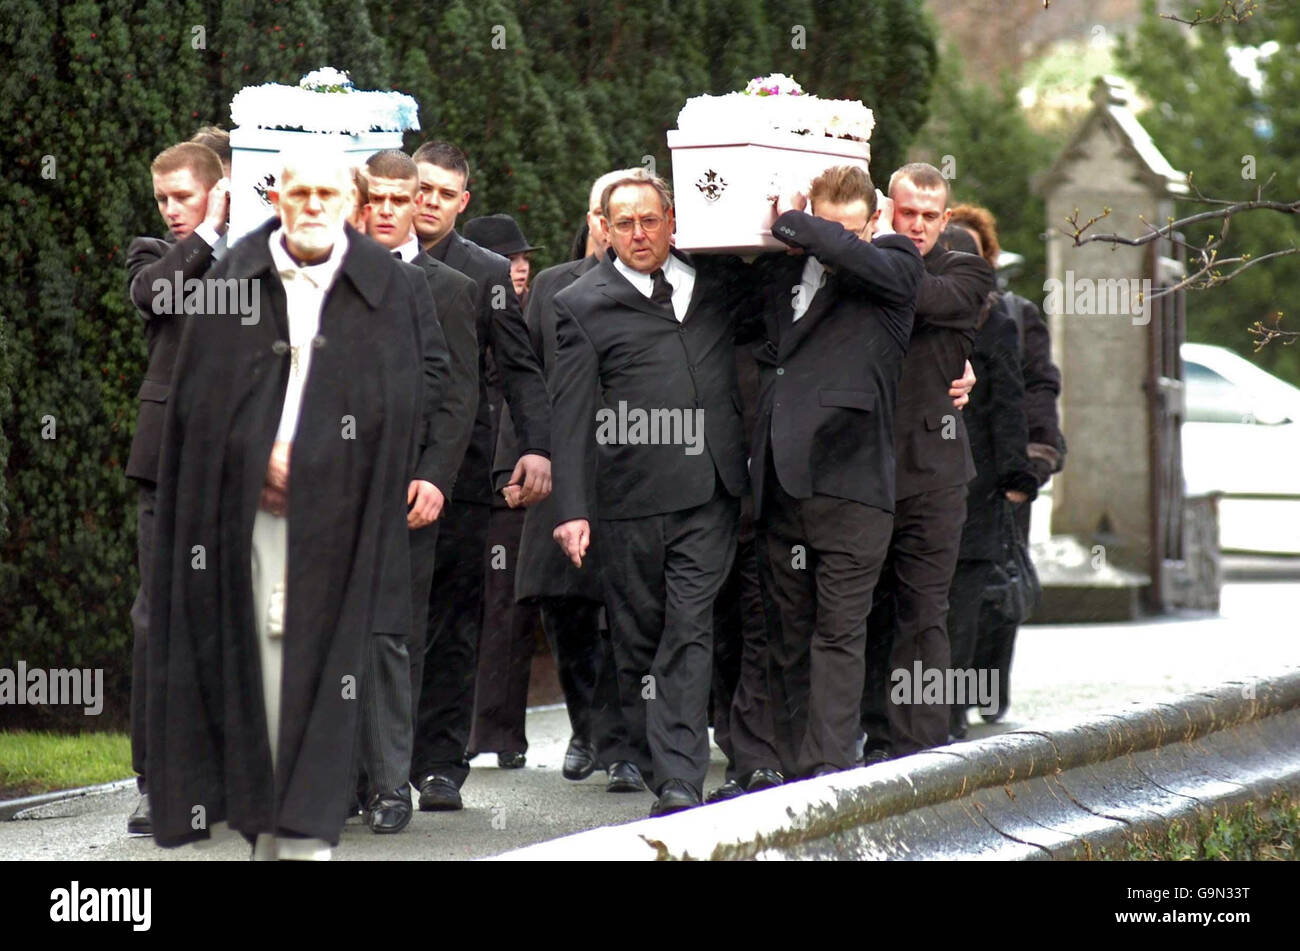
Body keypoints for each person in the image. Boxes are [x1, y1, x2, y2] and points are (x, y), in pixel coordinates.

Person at [146, 148, 430, 858]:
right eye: (297, 191)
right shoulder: (234, 277)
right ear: (277, 198)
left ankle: (305, 840)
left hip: (340, 518)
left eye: (325, 193)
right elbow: (198, 403)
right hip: (251, 523)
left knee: (324, 680)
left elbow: (400, 405)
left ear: (352, 204)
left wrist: (324, 460)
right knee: (265, 678)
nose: (310, 205)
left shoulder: (383, 288)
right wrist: (257, 454)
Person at [550, 174, 754, 816]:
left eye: (650, 220)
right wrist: (573, 510)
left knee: (690, 627)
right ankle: (641, 751)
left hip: (711, 491)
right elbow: (571, 413)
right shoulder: (582, 303)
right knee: (640, 636)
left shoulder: (720, 282)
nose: (639, 234)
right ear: (604, 230)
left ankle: (678, 778)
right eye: (624, 223)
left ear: (672, 220)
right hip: (629, 498)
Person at [747, 165, 923, 781]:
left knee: (839, 633)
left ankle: (827, 771)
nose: (836, 241)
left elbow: (854, 256)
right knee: (787, 632)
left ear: (872, 222)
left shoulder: (897, 262)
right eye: (828, 227)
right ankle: (792, 767)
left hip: (853, 488)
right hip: (781, 480)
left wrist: (799, 222)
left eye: (848, 230)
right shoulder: (784, 271)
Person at [408, 140, 551, 811]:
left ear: (462, 202)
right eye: (421, 187)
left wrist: (537, 448)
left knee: (455, 619)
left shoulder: (488, 272)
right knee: (383, 620)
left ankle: (440, 762)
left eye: (443, 192)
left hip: (463, 475)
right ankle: (377, 759)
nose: (429, 200)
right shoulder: (368, 258)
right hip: (379, 467)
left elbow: (520, 366)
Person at [494, 169, 644, 791]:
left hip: (637, 471)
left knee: (628, 610)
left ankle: (623, 741)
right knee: (565, 607)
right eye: (612, 217)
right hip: (562, 468)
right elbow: (522, 379)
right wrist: (518, 459)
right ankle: (586, 727)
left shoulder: (667, 285)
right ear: (594, 221)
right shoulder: (554, 286)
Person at [354, 149, 476, 833]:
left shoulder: (446, 289)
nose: (391, 211)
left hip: (407, 491)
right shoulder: (316, 275)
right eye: (379, 198)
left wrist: (433, 473)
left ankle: (390, 781)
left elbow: (455, 397)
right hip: (328, 490)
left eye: (404, 200)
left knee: (392, 637)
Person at [861, 162, 996, 758]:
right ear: (886, 209)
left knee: (924, 610)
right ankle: (871, 735)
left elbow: (919, 298)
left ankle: (918, 745)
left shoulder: (963, 268)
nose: (915, 225)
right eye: (904, 212)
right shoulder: (858, 268)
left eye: (927, 216)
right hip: (859, 468)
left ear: (945, 219)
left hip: (935, 471)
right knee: (859, 610)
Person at [123, 141, 228, 836]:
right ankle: (155, 778)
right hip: (168, 463)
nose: (171, 210)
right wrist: (207, 233)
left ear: (219, 189)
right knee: (159, 617)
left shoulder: (265, 252)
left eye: (184, 196)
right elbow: (156, 295)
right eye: (164, 199)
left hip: (246, 464)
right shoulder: (153, 254)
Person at [949, 204, 1065, 721]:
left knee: (997, 584)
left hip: (1005, 468)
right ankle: (948, 697)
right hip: (949, 470)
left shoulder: (1016, 314)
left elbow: (1038, 388)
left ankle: (987, 686)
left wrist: (1033, 462)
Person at [936, 226, 1036, 739]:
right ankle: (945, 714)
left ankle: (932, 712)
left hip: (950, 479)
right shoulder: (993, 321)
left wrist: (1016, 472)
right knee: (959, 603)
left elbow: (1010, 403)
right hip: (970, 481)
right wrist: (1014, 475)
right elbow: (1010, 406)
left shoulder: (983, 322)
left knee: (942, 600)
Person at [460, 213, 544, 769]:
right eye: (507, 260)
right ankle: (455, 730)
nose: (518, 269)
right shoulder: (459, 304)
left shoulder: (536, 313)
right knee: (458, 608)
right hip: (459, 477)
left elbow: (531, 392)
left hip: (511, 483)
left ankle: (499, 732)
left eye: (522, 259)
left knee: (510, 612)